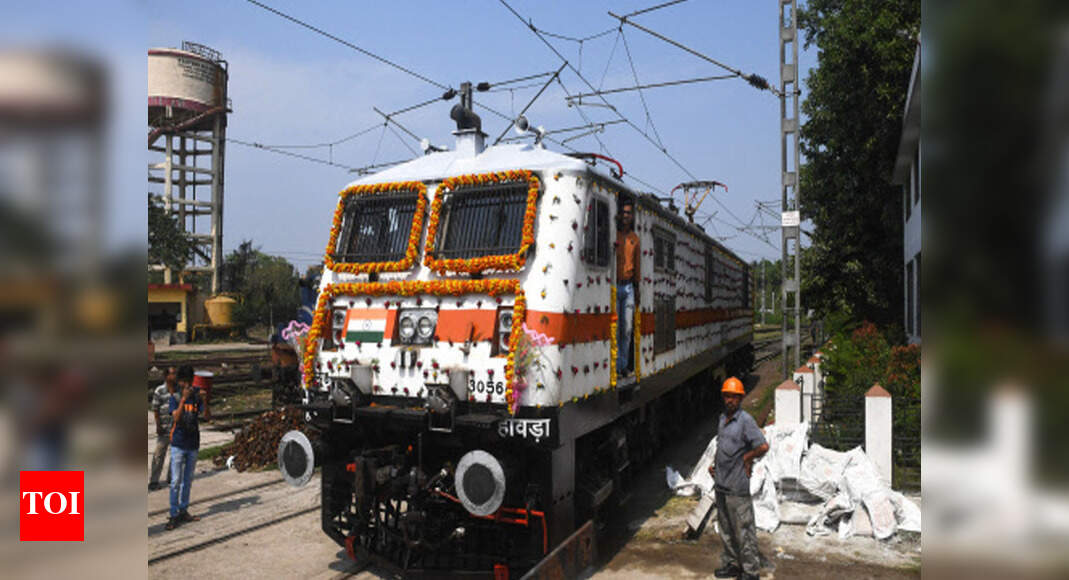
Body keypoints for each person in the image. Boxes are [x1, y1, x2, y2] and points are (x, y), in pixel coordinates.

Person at [708, 376, 769, 580]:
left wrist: (747, 457)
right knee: (726, 530)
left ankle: (750, 572)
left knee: (744, 531)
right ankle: (733, 564)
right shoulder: (722, 418)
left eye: (734, 397)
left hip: (737, 486)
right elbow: (722, 446)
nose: (729, 400)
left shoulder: (746, 421)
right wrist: (714, 465)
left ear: (741, 398)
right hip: (721, 484)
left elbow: (762, 446)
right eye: (726, 396)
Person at [166, 364, 203, 530]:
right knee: (175, 480)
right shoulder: (174, 397)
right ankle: (174, 514)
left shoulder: (196, 396)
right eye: (183, 382)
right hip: (178, 443)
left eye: (188, 382)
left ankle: (183, 509)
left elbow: (207, 416)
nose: (186, 385)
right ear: (179, 382)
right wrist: (183, 399)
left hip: (193, 443)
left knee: (187, 480)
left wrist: (205, 400)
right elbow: (176, 418)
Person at [616, 201, 640, 375]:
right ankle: (615, 366)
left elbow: (638, 265)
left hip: (629, 287)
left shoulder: (635, 239)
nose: (626, 216)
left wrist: (637, 287)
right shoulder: (614, 235)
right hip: (615, 285)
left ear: (632, 217)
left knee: (627, 328)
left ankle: (623, 365)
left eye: (629, 213)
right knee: (616, 327)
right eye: (624, 213)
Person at [149, 366, 177, 491]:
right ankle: (154, 481)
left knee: (175, 455)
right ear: (166, 376)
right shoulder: (159, 390)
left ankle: (171, 478)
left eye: (175, 373)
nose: (175, 376)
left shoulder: (178, 390)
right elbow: (155, 409)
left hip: (175, 428)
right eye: (172, 374)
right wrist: (158, 425)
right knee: (159, 455)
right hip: (164, 429)